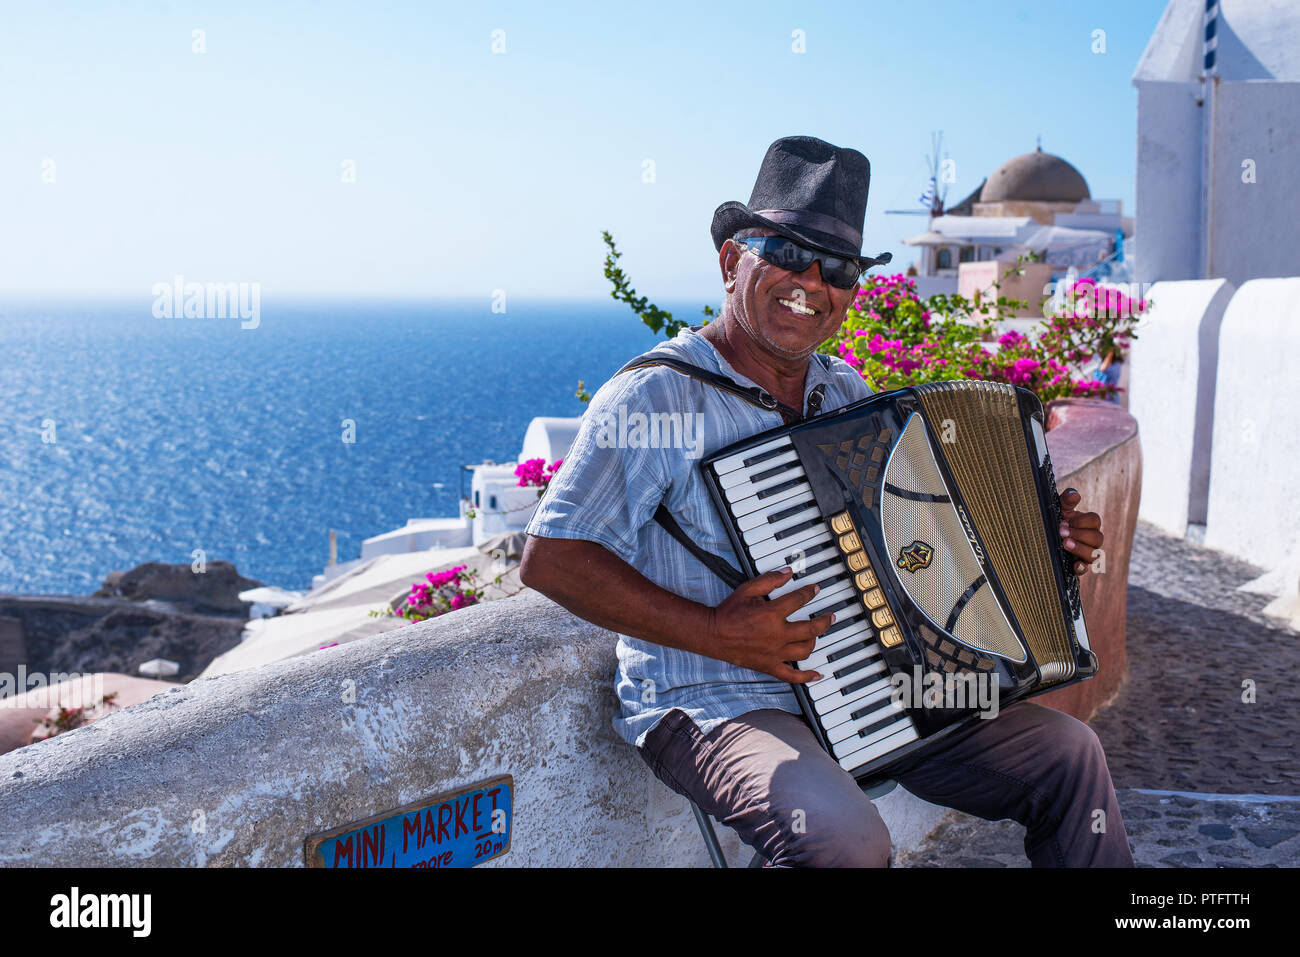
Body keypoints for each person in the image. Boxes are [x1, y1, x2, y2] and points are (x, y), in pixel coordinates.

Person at [520, 136, 1133, 867]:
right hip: (715, 698)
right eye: (784, 253)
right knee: (842, 839)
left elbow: (924, 539)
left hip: (879, 689)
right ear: (730, 261)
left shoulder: (846, 393)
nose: (810, 281)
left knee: (1071, 755)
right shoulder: (658, 395)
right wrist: (717, 630)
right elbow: (551, 558)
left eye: (837, 268)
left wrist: (1039, 540)